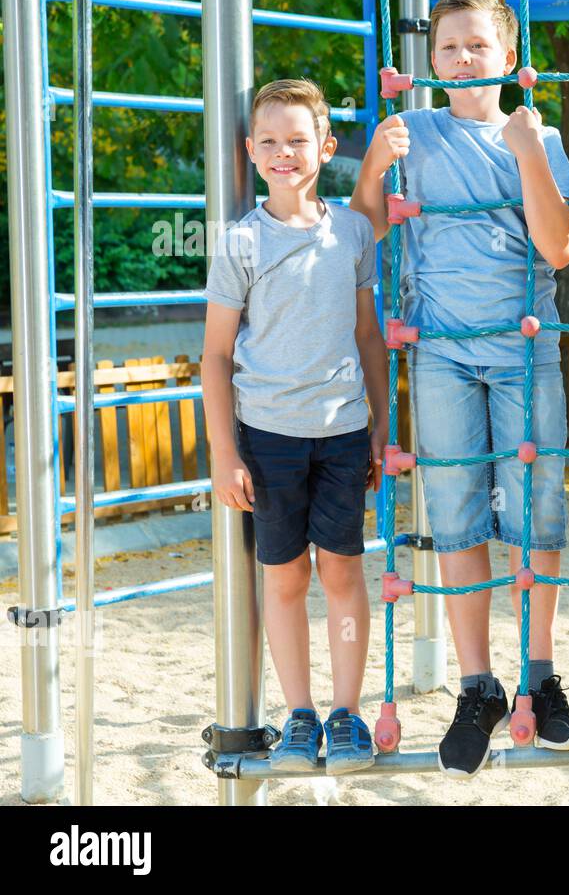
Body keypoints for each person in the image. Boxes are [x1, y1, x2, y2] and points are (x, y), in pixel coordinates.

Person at [350, 0, 569, 779]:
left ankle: (541, 679)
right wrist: (378, 167)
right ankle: (478, 685)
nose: (461, 60)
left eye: (477, 47)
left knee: (536, 508)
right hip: (443, 350)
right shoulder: (410, 134)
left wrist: (526, 154)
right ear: (432, 59)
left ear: (508, 58)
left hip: (525, 349)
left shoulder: (537, 136)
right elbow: (367, 226)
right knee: (454, 513)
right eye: (448, 48)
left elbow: (559, 248)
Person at [202, 78, 387, 775]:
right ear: (251, 152)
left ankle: (345, 712)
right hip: (267, 436)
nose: (285, 152)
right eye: (271, 141)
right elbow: (216, 355)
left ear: (326, 149)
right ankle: (301, 712)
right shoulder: (242, 243)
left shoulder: (352, 234)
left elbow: (369, 337)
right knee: (283, 580)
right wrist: (225, 452)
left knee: (342, 570)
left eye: (299, 140)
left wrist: (378, 424)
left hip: (340, 432)